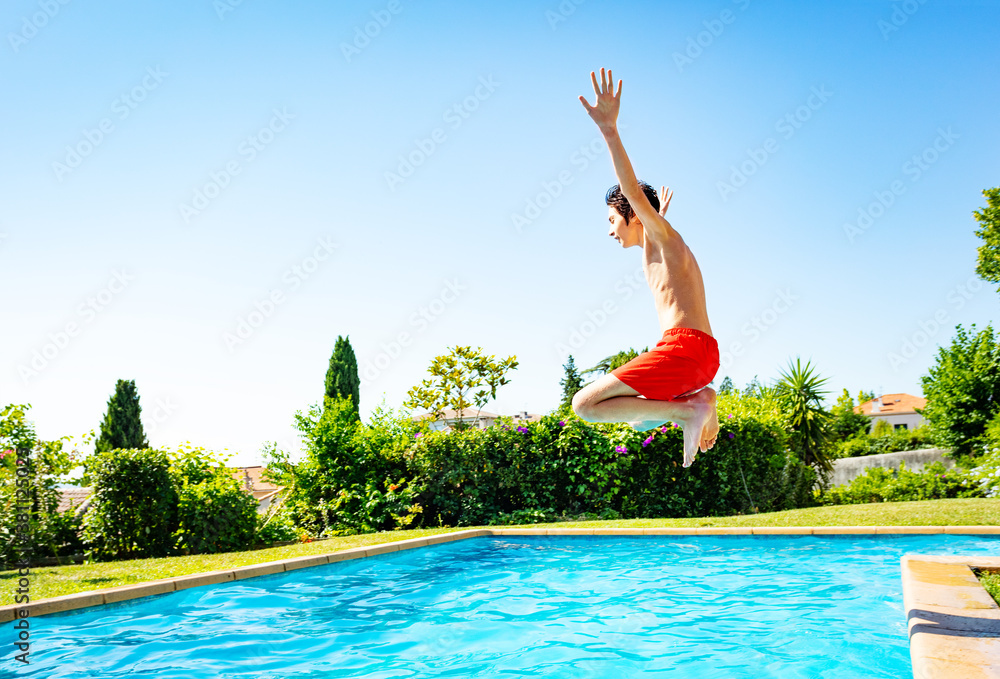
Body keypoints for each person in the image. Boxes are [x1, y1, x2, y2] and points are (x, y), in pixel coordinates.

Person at [571, 67, 719, 468]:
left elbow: (631, 192)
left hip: (685, 350)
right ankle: (699, 400)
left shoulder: (660, 235)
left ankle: (692, 409)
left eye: (611, 220)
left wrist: (609, 130)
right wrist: (659, 215)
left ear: (633, 216)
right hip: (698, 355)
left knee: (585, 405)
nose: (609, 231)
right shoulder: (657, 243)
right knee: (636, 418)